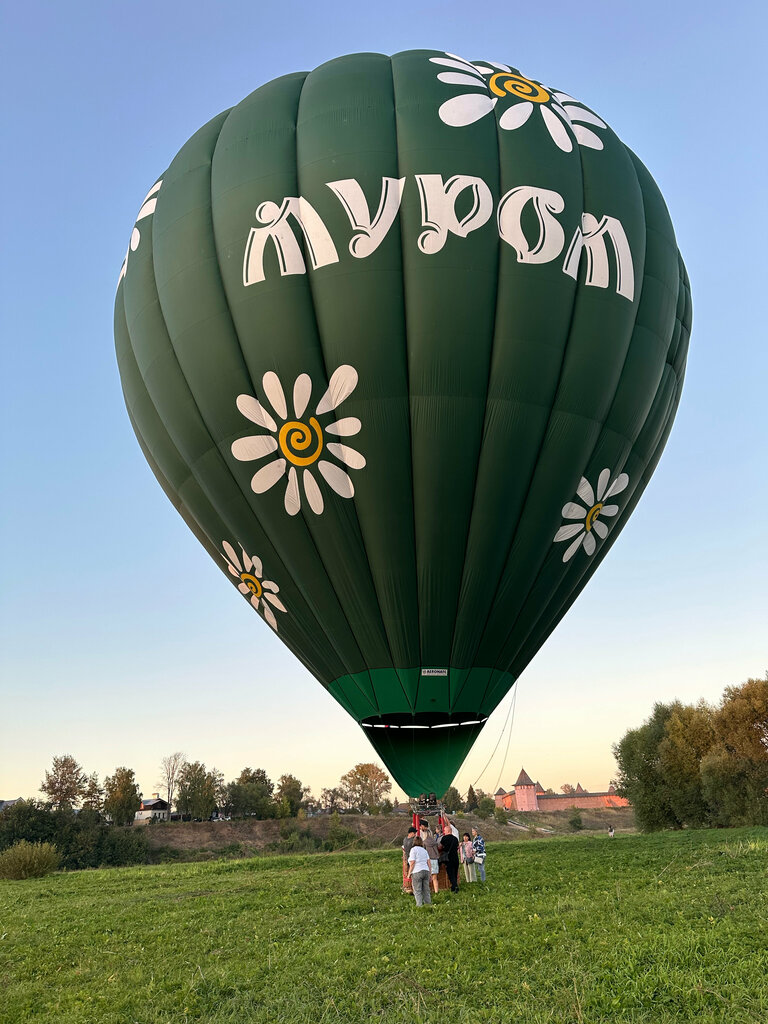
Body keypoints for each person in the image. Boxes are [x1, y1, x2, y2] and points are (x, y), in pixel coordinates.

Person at [406, 836, 432, 906]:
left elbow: (412, 863)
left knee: (417, 890)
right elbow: (429, 862)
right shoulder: (424, 850)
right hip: (426, 870)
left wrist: (409, 874)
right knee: (426, 890)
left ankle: (419, 906)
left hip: (417, 871)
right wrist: (430, 873)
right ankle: (428, 904)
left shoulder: (413, 850)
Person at [438, 824, 460, 892]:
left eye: (444, 830)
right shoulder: (455, 839)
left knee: (450, 873)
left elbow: (440, 847)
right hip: (455, 858)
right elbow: (457, 847)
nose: (444, 831)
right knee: (455, 873)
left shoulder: (444, 838)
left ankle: (455, 886)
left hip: (448, 859)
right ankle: (454, 887)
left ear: (448, 831)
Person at [422, 824, 441, 894]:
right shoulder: (434, 842)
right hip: (435, 860)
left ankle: (427, 891)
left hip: (428, 860)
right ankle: (436, 891)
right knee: (435, 878)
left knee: (427, 878)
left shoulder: (424, 842)